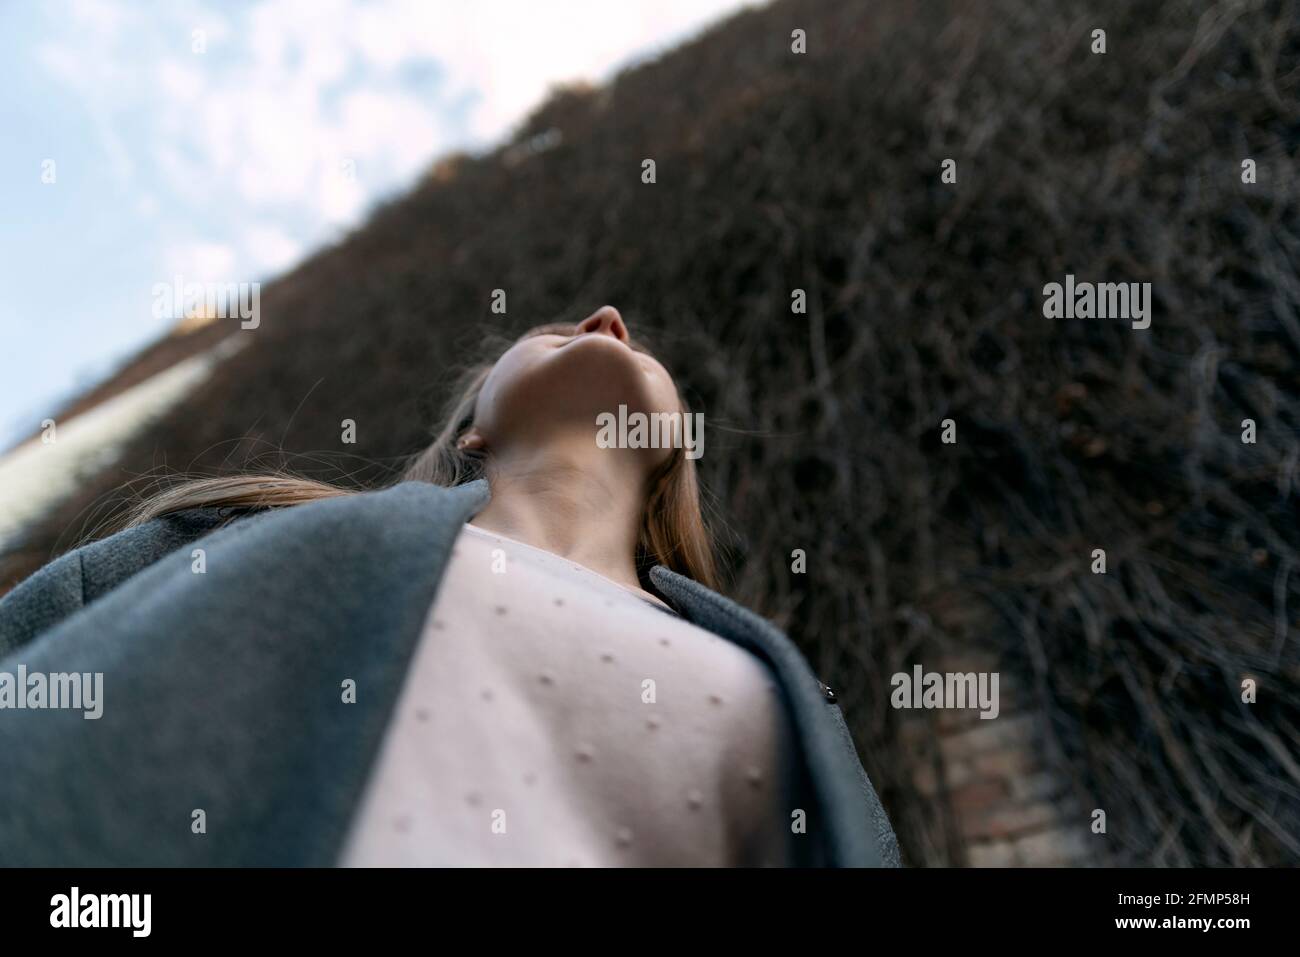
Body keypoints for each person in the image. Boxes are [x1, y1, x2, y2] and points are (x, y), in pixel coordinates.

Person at [0, 305, 900, 867]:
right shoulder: (218, 544)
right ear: (473, 432)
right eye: (550, 332)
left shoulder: (778, 687)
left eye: (629, 339)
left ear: (674, 453)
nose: (607, 319)